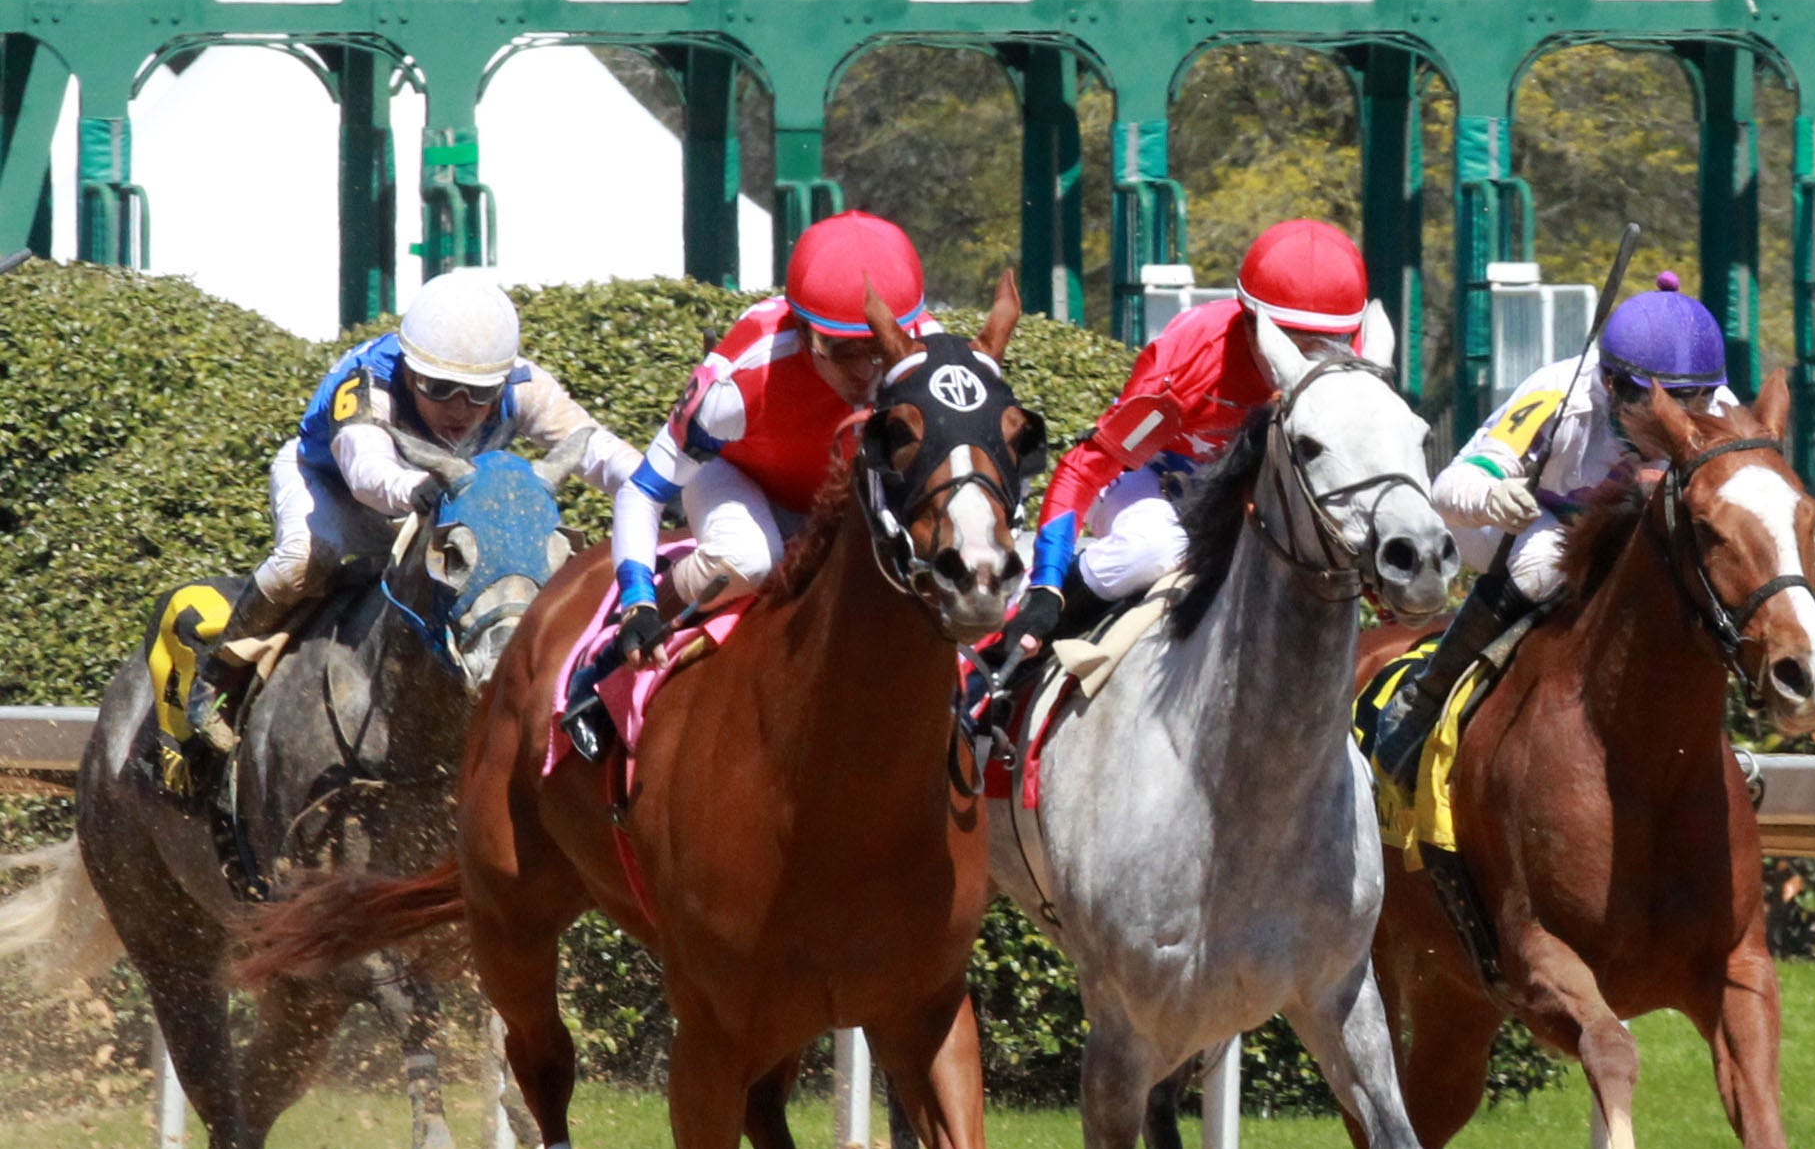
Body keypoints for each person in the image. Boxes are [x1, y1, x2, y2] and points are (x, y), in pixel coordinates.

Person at [183, 267, 641, 767]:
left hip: (435, 499)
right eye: (439, 388)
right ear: (408, 370)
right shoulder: (368, 379)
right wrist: (413, 489)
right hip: (332, 487)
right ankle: (219, 676)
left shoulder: (524, 383)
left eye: (479, 394)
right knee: (304, 560)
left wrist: (657, 487)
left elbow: (594, 448)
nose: (460, 408)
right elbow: (365, 469)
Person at [975, 218, 1391, 762]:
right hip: (1151, 480)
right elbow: (1083, 471)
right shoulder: (1191, 360)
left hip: (1244, 499)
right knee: (1159, 546)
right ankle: (1014, 647)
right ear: (1248, 321)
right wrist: (1046, 586)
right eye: (1289, 340)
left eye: (1329, 343)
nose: (1307, 359)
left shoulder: (1353, 365)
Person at [566, 209, 932, 747]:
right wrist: (637, 601)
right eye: (841, 349)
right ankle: (614, 653)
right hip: (738, 478)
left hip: (845, 494)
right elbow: (643, 491)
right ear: (803, 331)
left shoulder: (931, 358)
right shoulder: (739, 382)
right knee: (750, 558)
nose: (865, 371)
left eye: (879, 346)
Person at [1366, 267, 1734, 785]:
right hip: (1522, 521)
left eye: (1696, 398)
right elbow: (1449, 488)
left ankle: (1713, 738)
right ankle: (1423, 700)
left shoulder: (1721, 410)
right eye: (1664, 403)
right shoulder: (1557, 396)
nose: (1684, 418)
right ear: (1612, 385)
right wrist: (1494, 497)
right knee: (1543, 565)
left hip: (1622, 532)